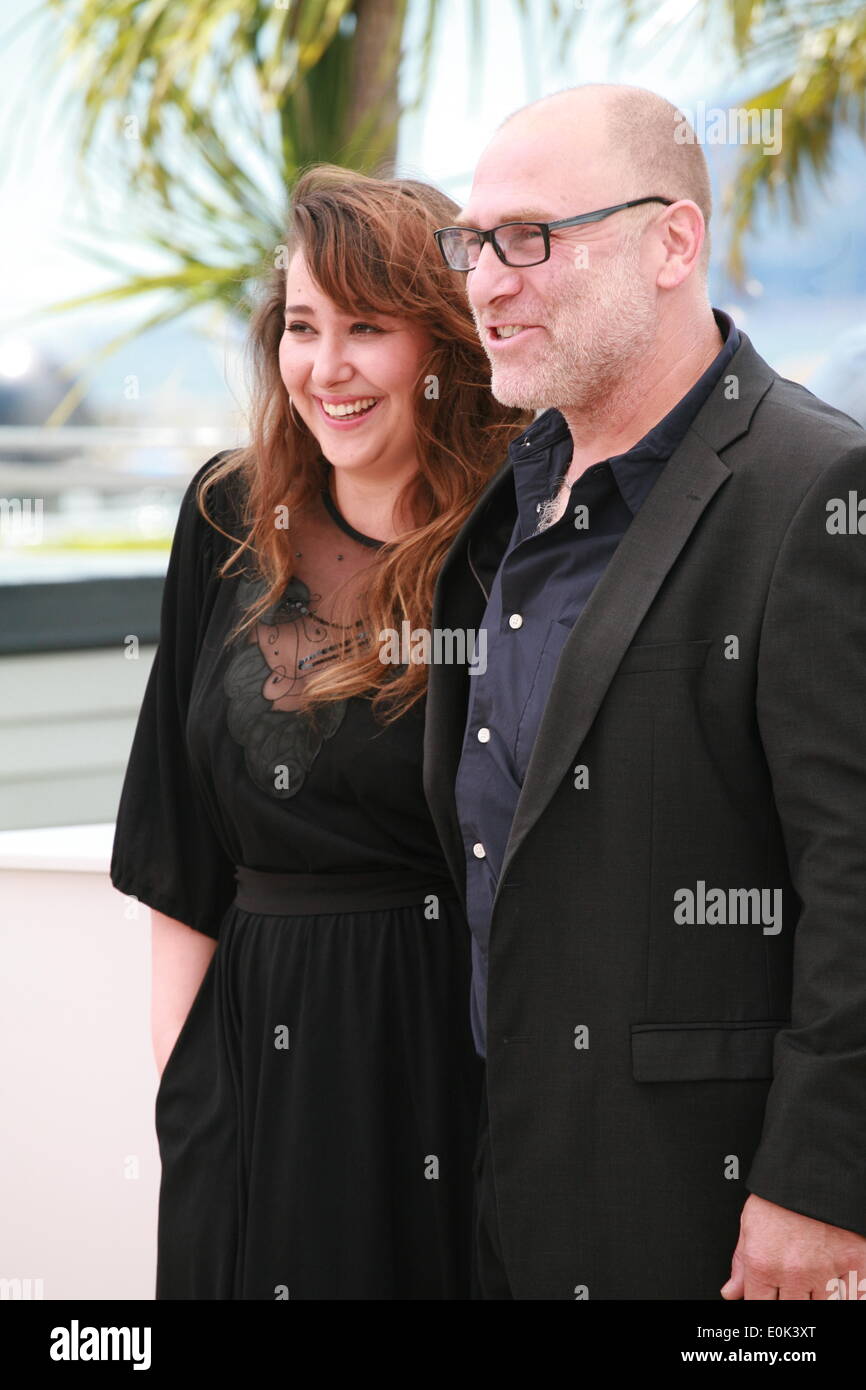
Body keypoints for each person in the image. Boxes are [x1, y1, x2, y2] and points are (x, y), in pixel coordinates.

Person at [424, 83, 866, 1299]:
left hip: (712, 1210)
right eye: (473, 243)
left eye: (531, 238)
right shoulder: (509, 503)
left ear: (672, 241)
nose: (487, 281)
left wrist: (821, 1184)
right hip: (507, 1180)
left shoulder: (814, 489)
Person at [109, 164, 528, 1299]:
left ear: (441, 347)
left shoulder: (516, 546)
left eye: (366, 328)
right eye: (301, 326)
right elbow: (178, 852)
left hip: (445, 1063)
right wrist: (191, 1098)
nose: (324, 367)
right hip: (246, 1076)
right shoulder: (224, 521)